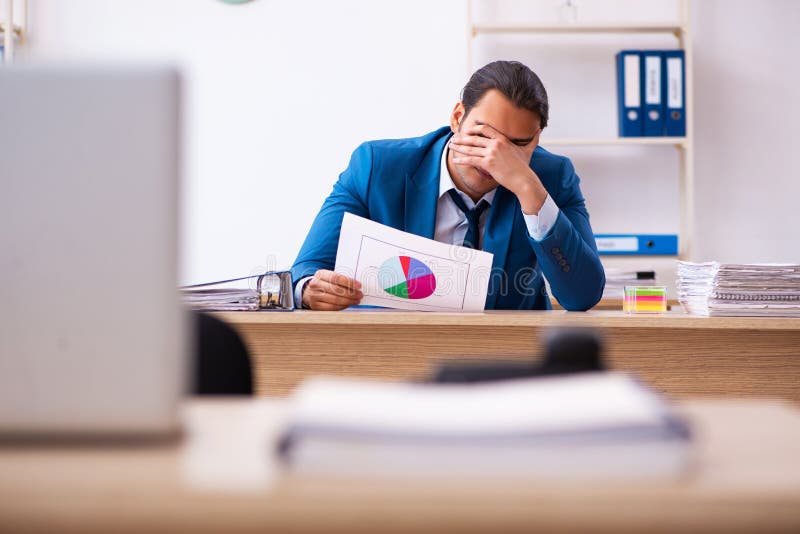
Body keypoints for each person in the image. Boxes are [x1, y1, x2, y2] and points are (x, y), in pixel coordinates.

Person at [291, 60, 605, 311]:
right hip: (390, 354)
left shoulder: (551, 178)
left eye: (516, 146)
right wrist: (309, 289)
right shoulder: (376, 166)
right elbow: (305, 269)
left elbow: (582, 295)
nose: (492, 158)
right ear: (458, 118)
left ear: (535, 140)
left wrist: (528, 189)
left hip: (507, 363)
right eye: (483, 136)